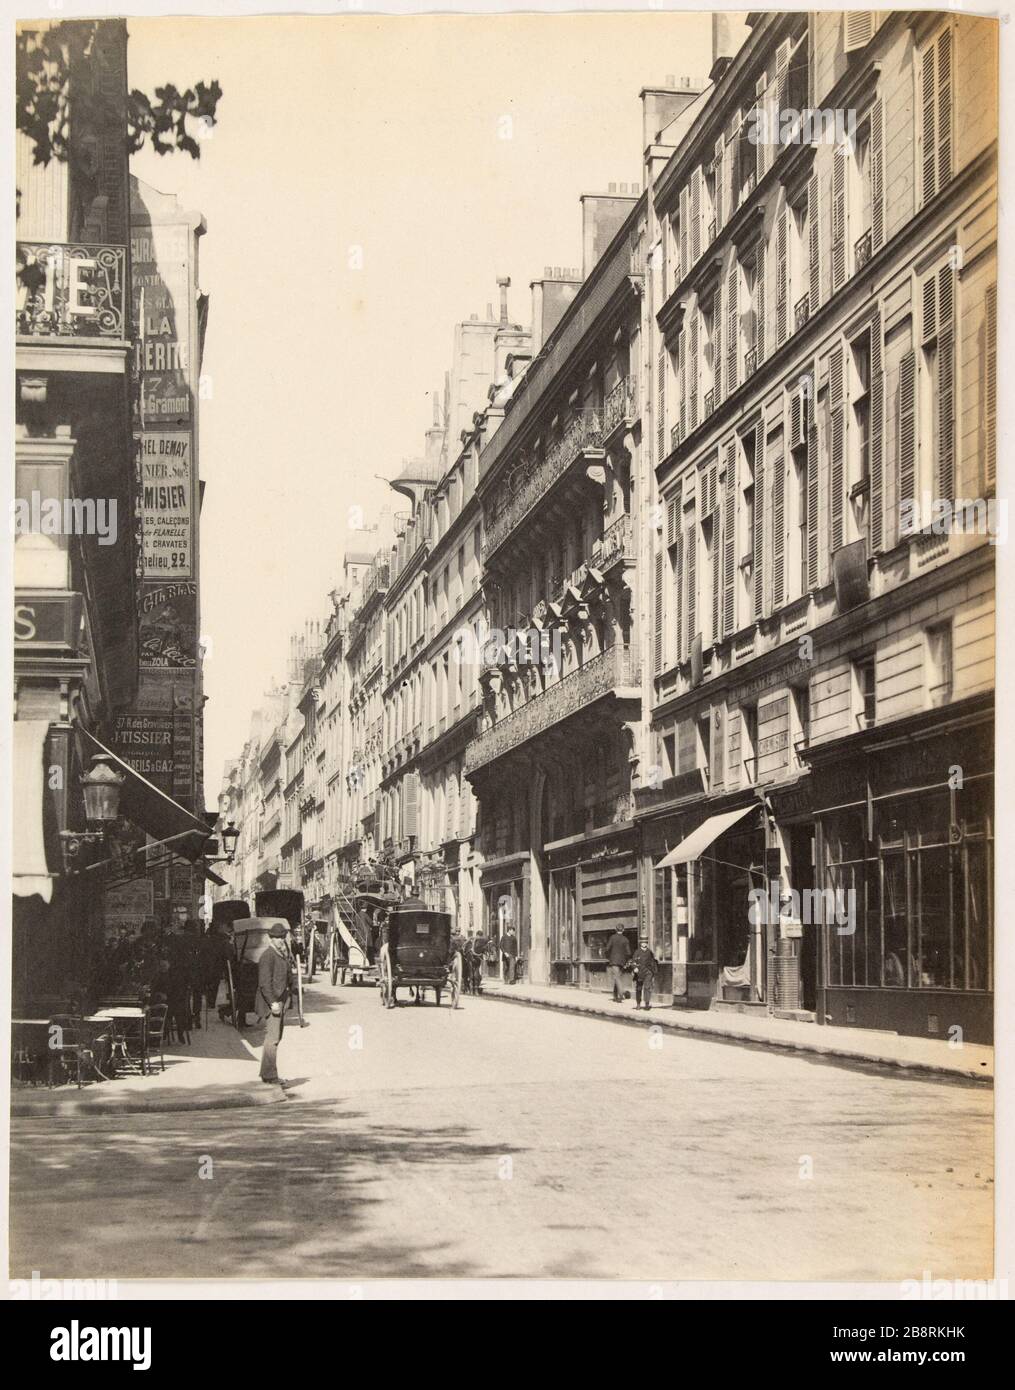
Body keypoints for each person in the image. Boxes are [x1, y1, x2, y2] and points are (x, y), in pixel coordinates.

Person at [255, 924, 293, 1083]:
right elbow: (264, 983)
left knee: (276, 1038)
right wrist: (273, 1003)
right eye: (277, 937)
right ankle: (270, 1076)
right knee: (273, 1039)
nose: (280, 940)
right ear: (270, 938)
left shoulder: (281, 954)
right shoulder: (268, 956)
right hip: (272, 1002)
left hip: (281, 1000)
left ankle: (267, 1073)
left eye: (282, 937)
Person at [604, 925, 632, 1002]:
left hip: (614, 961)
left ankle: (622, 993)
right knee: (618, 977)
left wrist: (608, 957)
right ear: (623, 930)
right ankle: (616, 996)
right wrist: (626, 960)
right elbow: (629, 952)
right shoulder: (625, 939)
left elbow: (607, 949)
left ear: (615, 929)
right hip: (622, 962)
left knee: (616, 978)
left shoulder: (612, 938)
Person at [630, 941, 659, 1011]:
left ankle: (647, 1004)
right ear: (640, 944)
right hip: (639, 973)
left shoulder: (649, 952)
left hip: (648, 972)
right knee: (639, 988)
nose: (644, 944)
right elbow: (633, 962)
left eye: (646, 942)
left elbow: (653, 961)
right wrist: (635, 968)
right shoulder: (637, 952)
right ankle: (638, 1004)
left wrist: (652, 971)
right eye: (643, 942)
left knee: (647, 987)